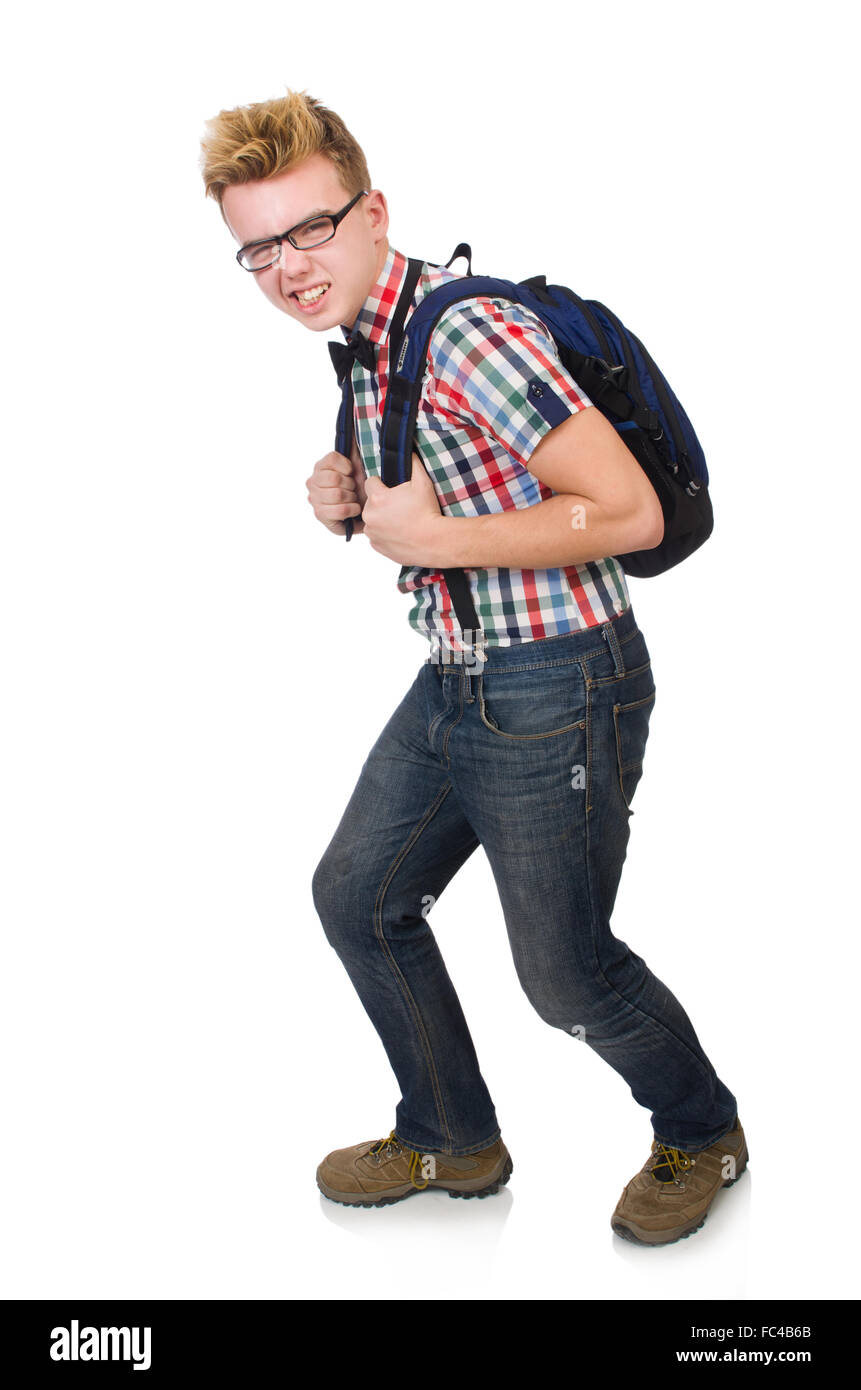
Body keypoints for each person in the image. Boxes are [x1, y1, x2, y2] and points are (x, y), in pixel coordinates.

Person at [199, 88, 747, 1245]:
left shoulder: (465, 334)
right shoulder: (365, 340)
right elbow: (440, 483)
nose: (291, 267)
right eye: (259, 247)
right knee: (359, 894)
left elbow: (629, 509)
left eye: (311, 229)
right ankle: (453, 1134)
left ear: (371, 209)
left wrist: (438, 541)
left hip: (561, 682)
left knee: (567, 977)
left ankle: (701, 1130)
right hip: (458, 674)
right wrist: (344, 498)